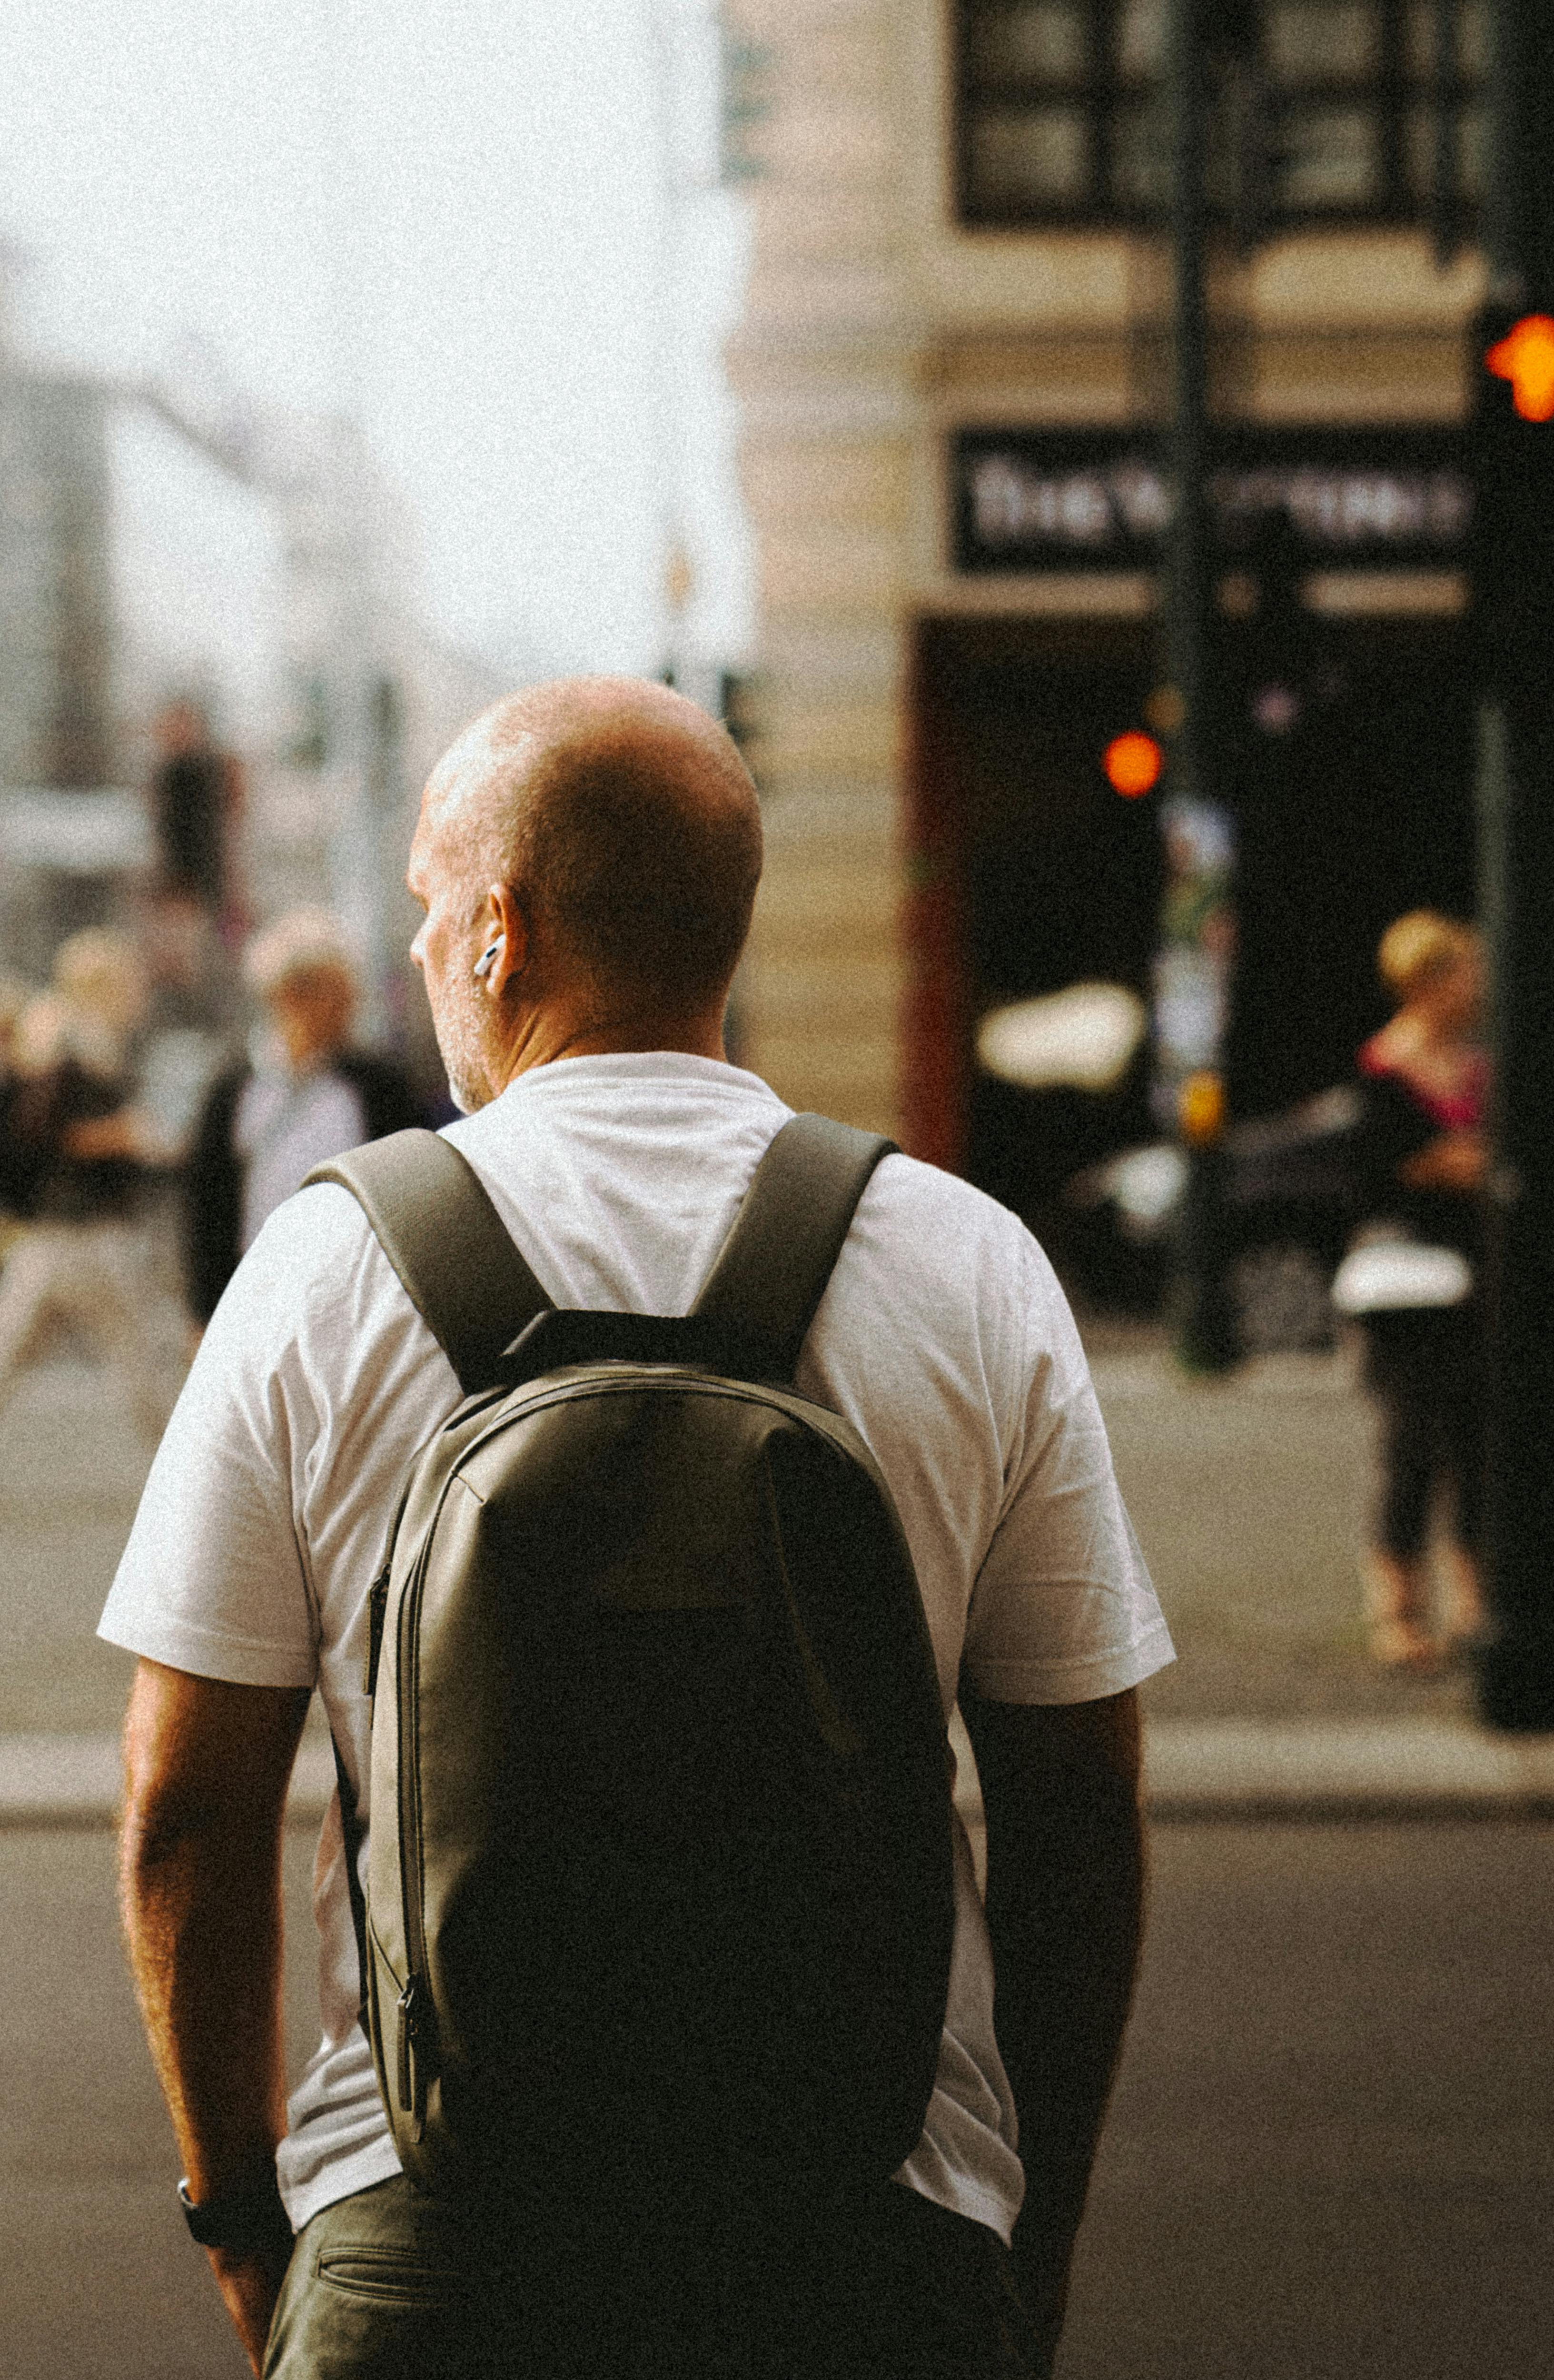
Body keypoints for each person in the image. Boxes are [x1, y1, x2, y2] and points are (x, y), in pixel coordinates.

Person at [101, 676, 1173, 2380]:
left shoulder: (322, 1270)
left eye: (429, 900)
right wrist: (1022, 2236)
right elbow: (1074, 1810)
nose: (425, 933)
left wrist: (243, 2220)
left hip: (433, 2233)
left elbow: (184, 1806)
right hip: (874, 2234)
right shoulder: (967, 1264)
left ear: (500, 933)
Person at [1340, 909, 1489, 1670]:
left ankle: (1475, 1602)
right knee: (1409, 1451)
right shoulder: (1382, 1072)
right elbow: (1374, 1176)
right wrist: (1449, 1166)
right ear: (1426, 982)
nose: (1478, 984)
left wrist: (1441, 1163)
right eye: (1465, 970)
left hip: (1480, 1282)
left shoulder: (1480, 1066)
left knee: (1480, 1447)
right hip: (1407, 1294)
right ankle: (1398, 1612)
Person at [181, 910, 426, 1325]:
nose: (349, 1006)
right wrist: (204, 1312)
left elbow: (412, 1193)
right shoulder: (234, 1086)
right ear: (287, 995)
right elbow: (207, 1202)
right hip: (253, 1290)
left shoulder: (378, 1086)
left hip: (353, 1295)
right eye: (332, 991)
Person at [0, 929, 185, 1445]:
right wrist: (129, 1134)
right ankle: (194, 1476)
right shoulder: (75, 1040)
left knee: (10, 1355)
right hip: (87, 1234)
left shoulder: (62, 1035)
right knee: (148, 1366)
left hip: (51, 1235)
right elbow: (57, 1131)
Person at [150, 697, 244, 929]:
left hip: (208, 870)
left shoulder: (213, 769)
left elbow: (232, 818)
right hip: (180, 874)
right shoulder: (168, 774)